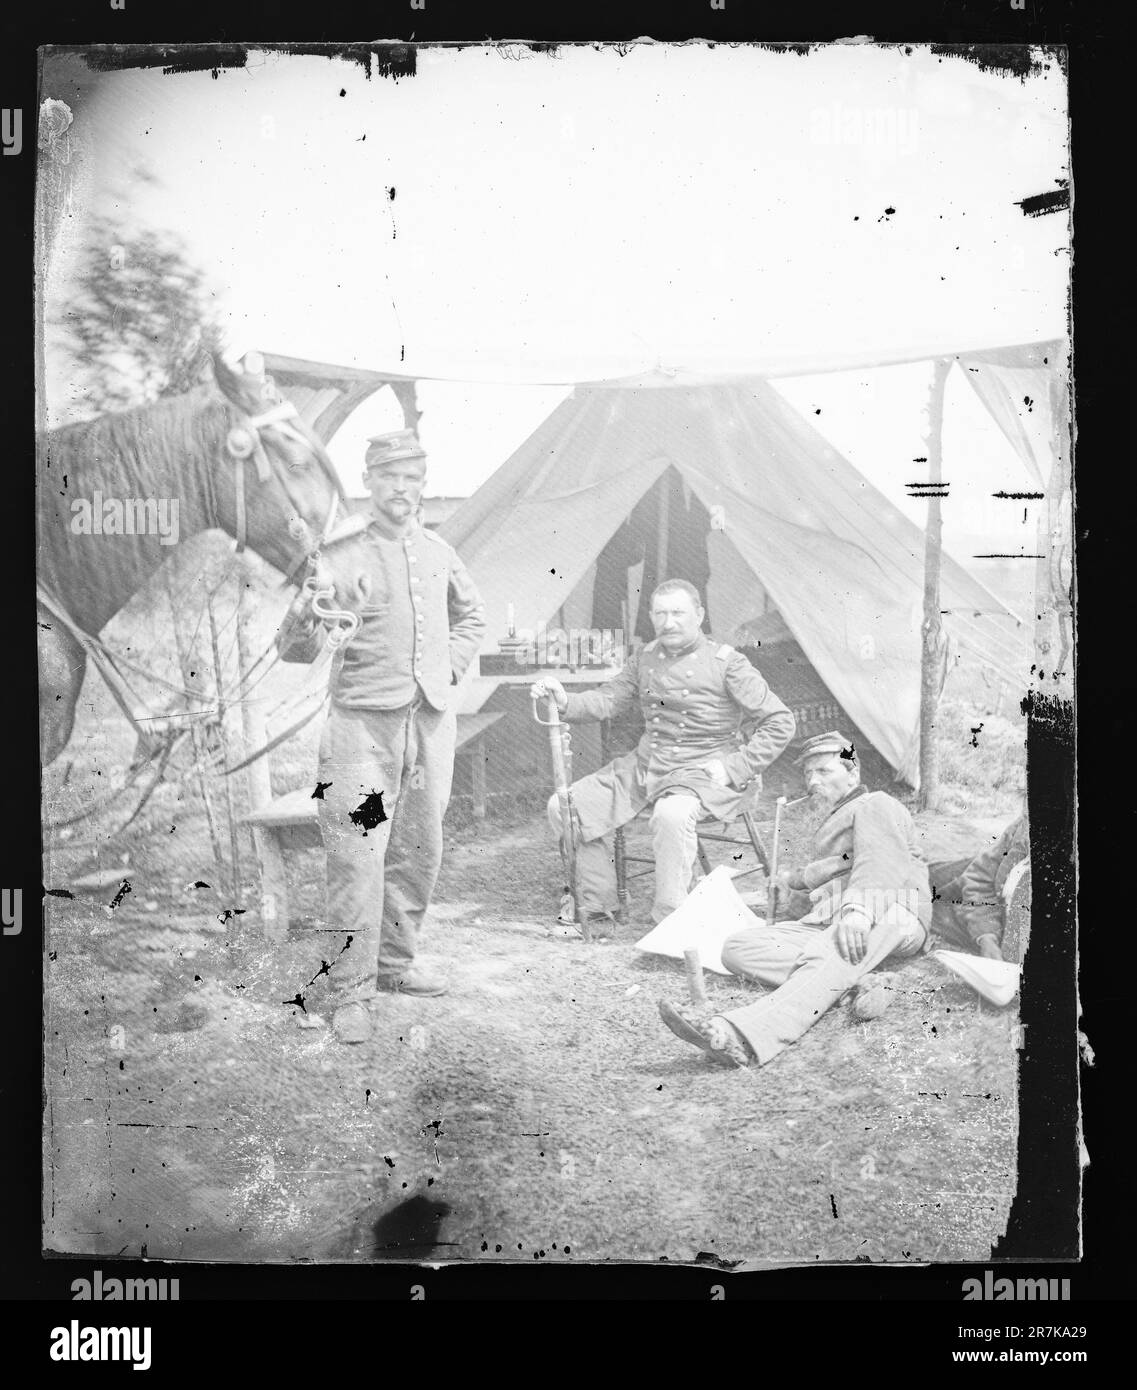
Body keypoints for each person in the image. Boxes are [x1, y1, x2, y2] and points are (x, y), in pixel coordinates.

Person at [277, 428, 486, 1043]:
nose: (404, 489)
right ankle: (347, 991)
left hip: (429, 725)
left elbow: (471, 614)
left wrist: (448, 667)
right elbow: (296, 650)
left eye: (414, 477)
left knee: (419, 848)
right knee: (356, 854)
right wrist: (302, 614)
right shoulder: (337, 556)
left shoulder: (440, 552)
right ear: (369, 482)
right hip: (361, 730)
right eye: (391, 477)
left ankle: (394, 964)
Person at [530, 579, 795, 928]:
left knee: (672, 815)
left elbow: (780, 721)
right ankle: (597, 906)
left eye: (678, 613)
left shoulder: (728, 663)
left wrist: (736, 766)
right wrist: (566, 701)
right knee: (565, 806)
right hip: (647, 765)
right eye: (660, 613)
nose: (668, 622)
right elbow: (610, 698)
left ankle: (670, 921)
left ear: (699, 615)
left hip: (705, 771)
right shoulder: (645, 656)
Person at [658, 731, 932, 1069]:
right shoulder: (834, 820)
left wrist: (859, 912)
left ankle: (741, 1036)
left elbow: (881, 861)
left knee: (831, 949)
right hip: (839, 916)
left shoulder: (875, 803)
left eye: (824, 771)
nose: (813, 781)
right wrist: (789, 894)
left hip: (891, 906)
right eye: (807, 773)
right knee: (738, 948)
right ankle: (852, 982)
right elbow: (828, 886)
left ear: (853, 773)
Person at [928, 814, 1030, 962]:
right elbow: (979, 877)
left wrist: (986, 934)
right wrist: (987, 937)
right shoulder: (1023, 826)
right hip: (985, 881)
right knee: (923, 876)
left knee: (916, 906)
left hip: (995, 918)